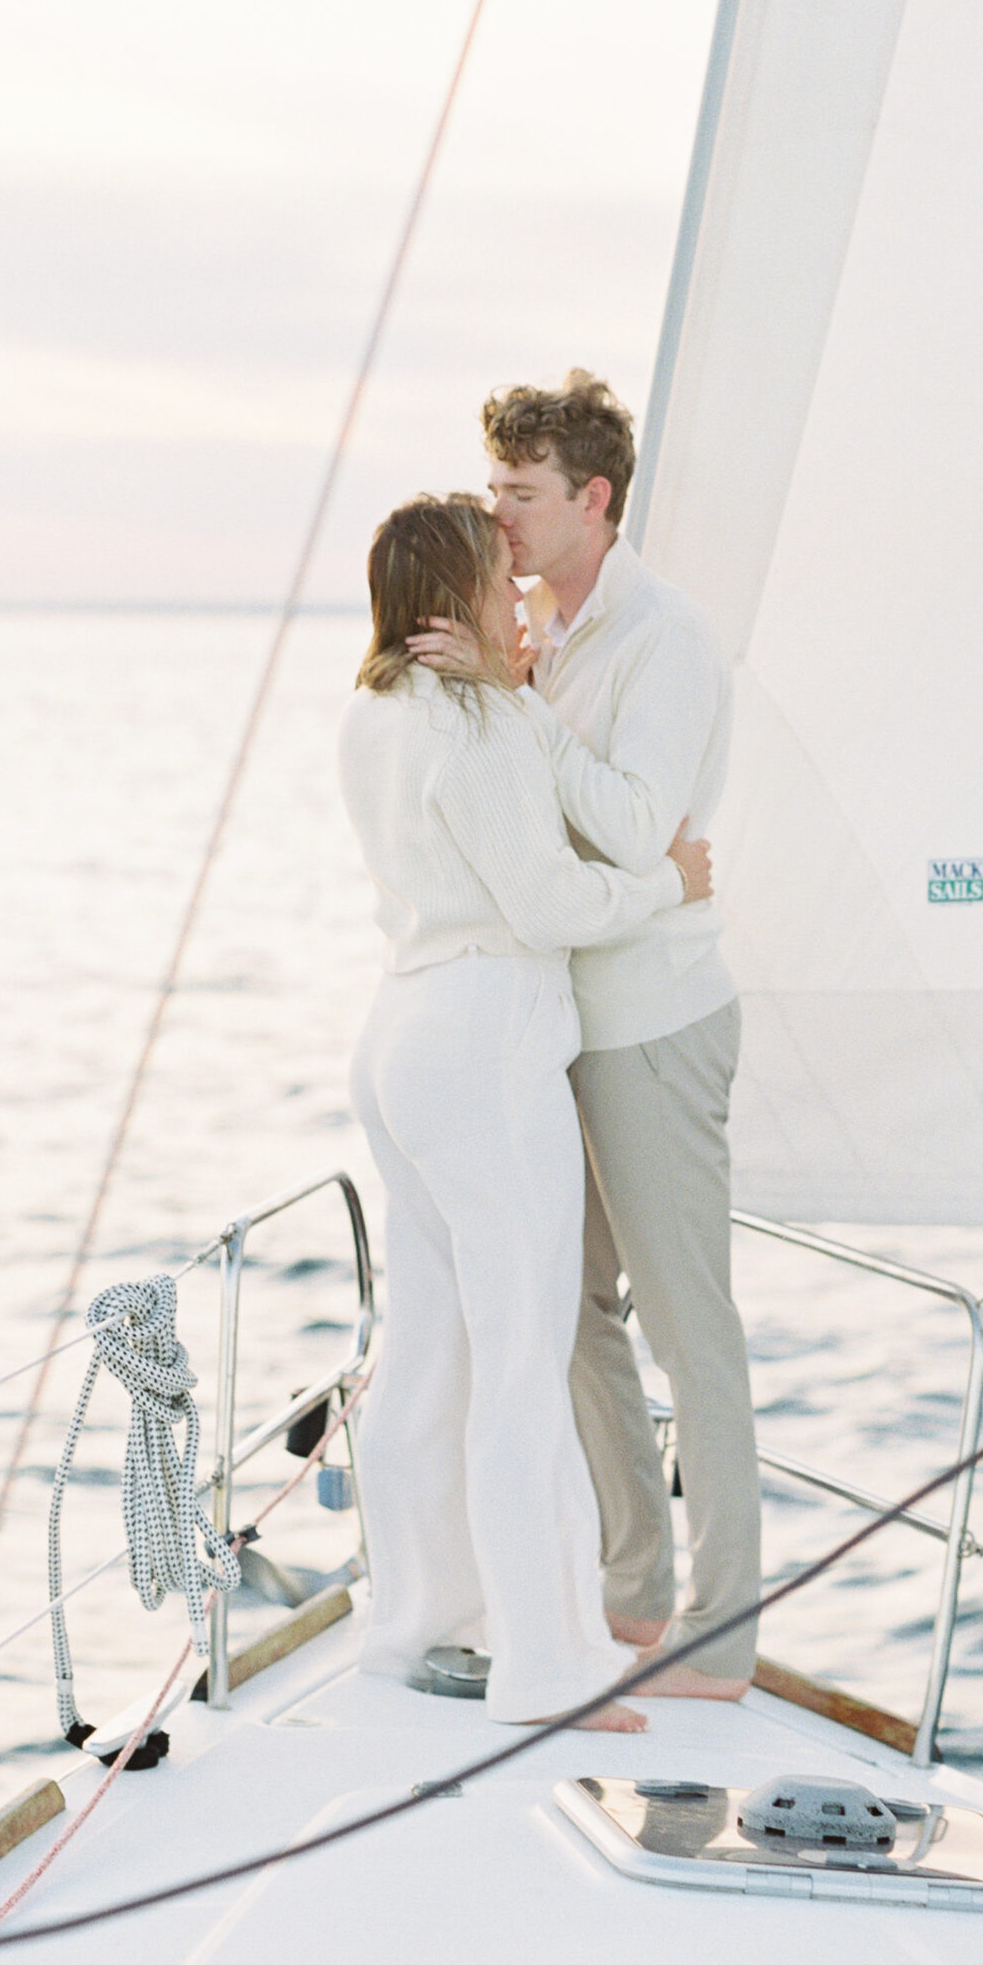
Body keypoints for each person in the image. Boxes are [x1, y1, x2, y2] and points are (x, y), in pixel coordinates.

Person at [338, 490, 713, 1729]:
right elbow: (550, 905)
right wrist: (667, 885)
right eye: (501, 584)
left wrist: (506, 689)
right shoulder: (483, 722)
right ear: (457, 595)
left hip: (398, 1034)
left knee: (426, 1349)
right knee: (519, 1362)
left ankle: (410, 1628)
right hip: (485, 1045)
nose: (522, 601)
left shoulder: (374, 709)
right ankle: (545, 1668)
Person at [411, 372, 759, 1699]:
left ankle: (721, 1640)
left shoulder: (661, 638)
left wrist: (512, 708)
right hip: (562, 1023)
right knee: (565, 1312)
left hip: (652, 1023)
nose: (496, 514)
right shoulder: (538, 629)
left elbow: (629, 826)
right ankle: (634, 1598)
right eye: (492, 488)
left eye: (520, 493)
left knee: (687, 1330)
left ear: (591, 498)